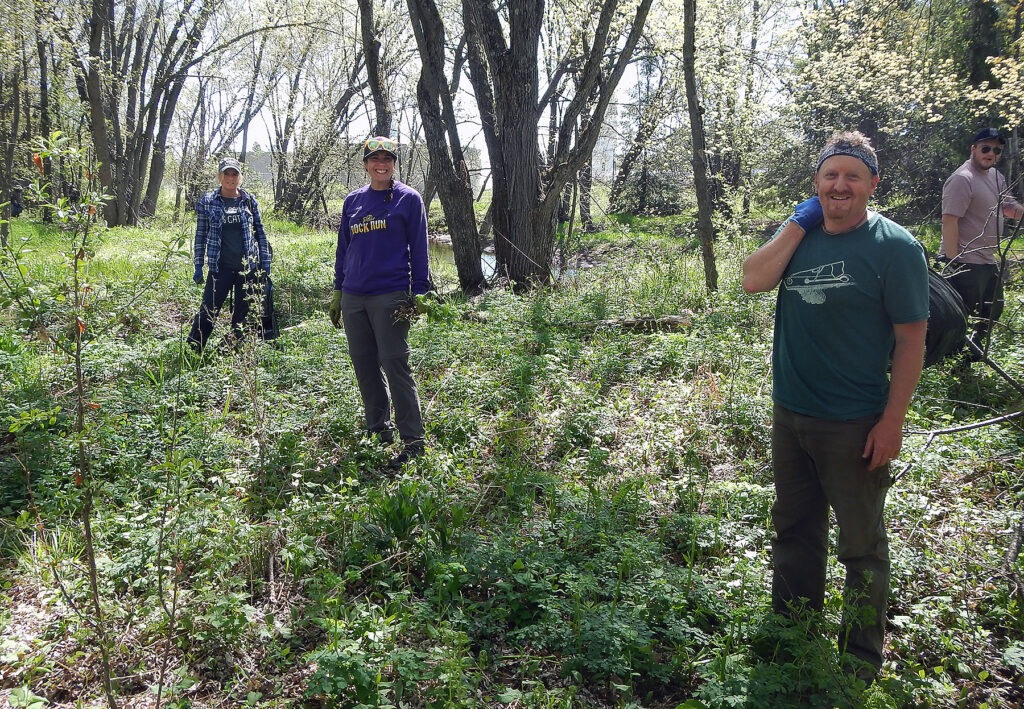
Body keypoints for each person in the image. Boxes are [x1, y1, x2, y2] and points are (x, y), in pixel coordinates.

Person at [742, 131, 929, 682]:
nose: (839, 185)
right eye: (830, 175)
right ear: (816, 183)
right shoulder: (801, 235)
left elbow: (911, 339)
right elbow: (752, 279)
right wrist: (798, 223)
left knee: (861, 544)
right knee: (794, 529)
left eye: (852, 175)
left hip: (853, 422)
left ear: (873, 184)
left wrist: (892, 422)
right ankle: (791, 632)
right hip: (790, 413)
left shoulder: (894, 247)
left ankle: (859, 656)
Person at [329, 137, 429, 470]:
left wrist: (421, 290)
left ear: (394, 163)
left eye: (387, 158)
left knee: (394, 363)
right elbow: (344, 248)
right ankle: (378, 430)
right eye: (374, 158)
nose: (380, 163)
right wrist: (338, 291)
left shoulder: (408, 199)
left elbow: (419, 246)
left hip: (391, 294)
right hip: (354, 296)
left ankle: (413, 442)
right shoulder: (353, 201)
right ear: (366, 164)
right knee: (365, 365)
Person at [939, 127, 1023, 362]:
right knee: (962, 316)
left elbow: (1008, 206)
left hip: (987, 259)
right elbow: (949, 220)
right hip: (965, 261)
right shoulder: (962, 179)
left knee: (992, 311)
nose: (991, 154)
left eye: (997, 150)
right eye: (986, 148)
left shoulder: (996, 177)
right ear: (973, 149)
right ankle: (952, 364)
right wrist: (953, 262)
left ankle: (971, 359)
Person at [187, 157, 272, 351]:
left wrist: (265, 264)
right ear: (220, 176)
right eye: (227, 173)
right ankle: (194, 350)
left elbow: (260, 232)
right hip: (220, 267)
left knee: (243, 313)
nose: (230, 178)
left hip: (247, 268)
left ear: (240, 177)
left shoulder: (248, 200)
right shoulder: (208, 201)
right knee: (209, 309)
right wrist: (198, 265)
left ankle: (233, 350)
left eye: (234, 174)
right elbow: (200, 235)